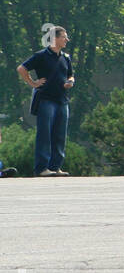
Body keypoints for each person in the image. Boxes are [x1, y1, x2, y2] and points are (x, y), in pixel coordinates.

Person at [17, 25, 75, 177]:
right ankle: (42, 168)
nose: (67, 40)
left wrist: (70, 82)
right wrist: (33, 83)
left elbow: (71, 75)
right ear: (55, 39)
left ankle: (55, 167)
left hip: (62, 100)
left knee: (60, 134)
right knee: (45, 134)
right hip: (46, 100)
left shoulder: (66, 57)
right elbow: (21, 69)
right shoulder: (41, 55)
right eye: (64, 37)